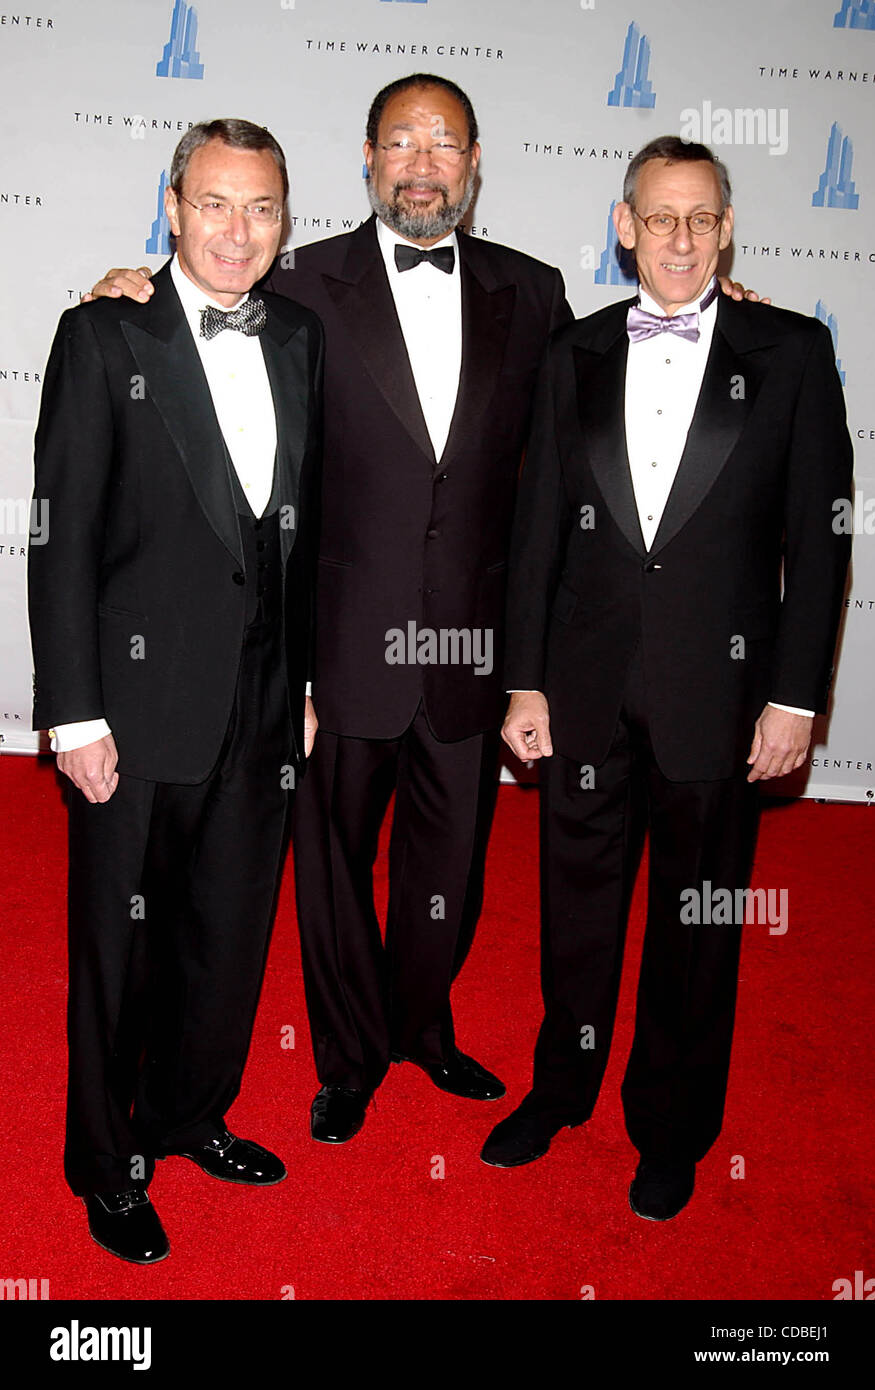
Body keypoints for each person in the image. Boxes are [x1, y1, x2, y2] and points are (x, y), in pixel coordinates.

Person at [86, 79, 760, 1149]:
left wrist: (737, 323)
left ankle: (423, 1025)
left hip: (471, 648)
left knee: (448, 870)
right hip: (337, 645)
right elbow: (190, 345)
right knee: (333, 874)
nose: (422, 160)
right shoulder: (293, 277)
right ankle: (349, 1061)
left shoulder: (533, 293)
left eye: (443, 142)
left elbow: (610, 395)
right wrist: (125, 289)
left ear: (476, 160)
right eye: (401, 139)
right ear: (366, 156)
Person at [481, 136, 853, 1220]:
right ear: (623, 224)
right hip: (585, 688)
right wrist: (523, 682)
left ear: (726, 228)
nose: (680, 239)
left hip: (723, 699)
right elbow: (536, 523)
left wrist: (793, 697)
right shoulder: (576, 352)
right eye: (659, 217)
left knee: (700, 919)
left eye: (702, 218)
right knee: (577, 908)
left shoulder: (790, 350)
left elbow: (820, 540)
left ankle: (675, 1127)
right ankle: (562, 1088)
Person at [28, 119, 323, 1263]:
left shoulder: (299, 337)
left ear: (284, 218)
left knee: (230, 927)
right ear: (172, 204)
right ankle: (104, 1162)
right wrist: (75, 709)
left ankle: (191, 1114)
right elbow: (62, 539)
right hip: (136, 704)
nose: (238, 230)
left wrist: (302, 681)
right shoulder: (101, 335)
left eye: (260, 208)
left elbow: (308, 529)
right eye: (215, 203)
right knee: (120, 946)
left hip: (262, 701)